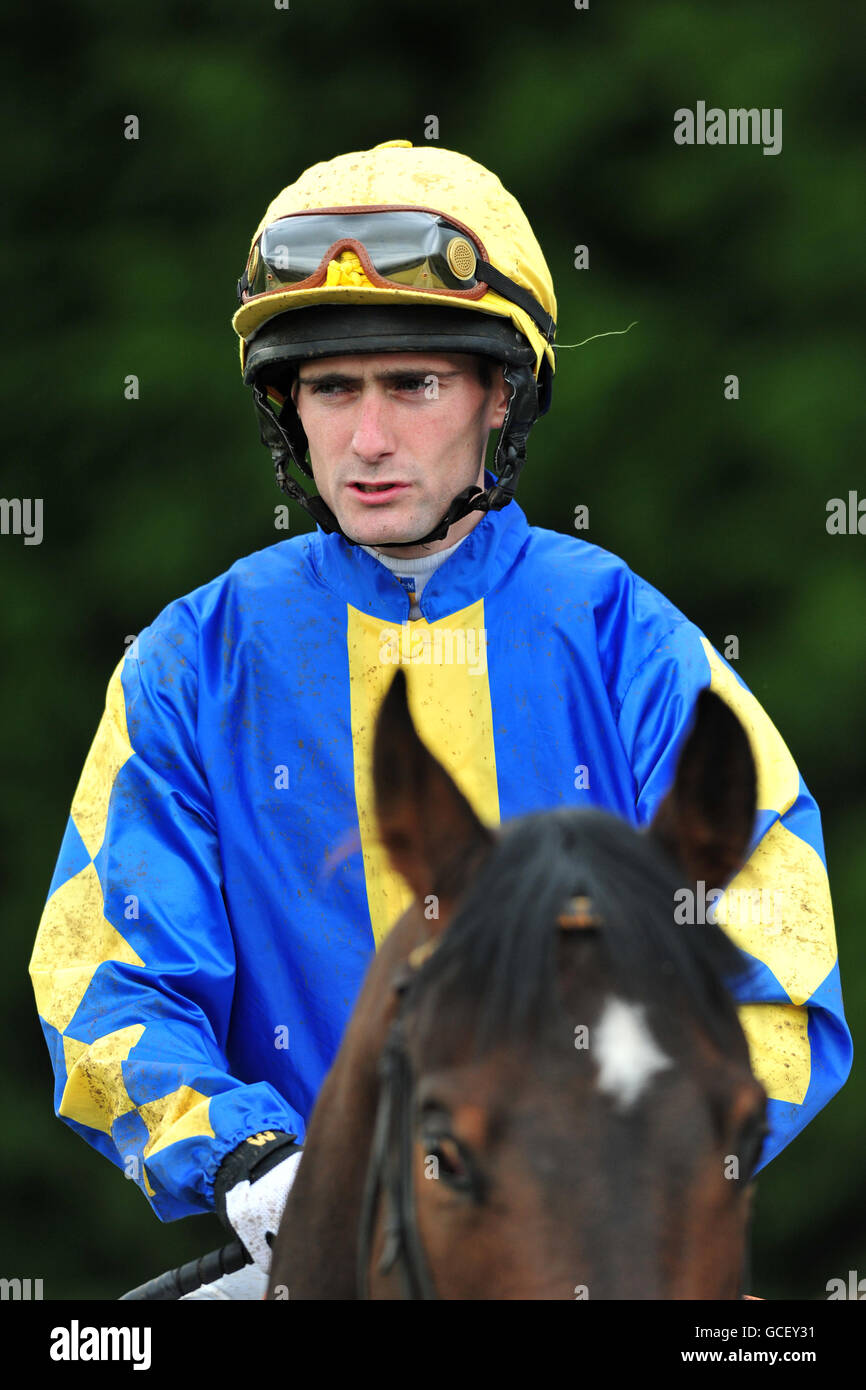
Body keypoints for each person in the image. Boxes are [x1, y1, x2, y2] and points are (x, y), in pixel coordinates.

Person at [29, 139, 852, 1300]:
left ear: (498, 395)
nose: (366, 441)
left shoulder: (630, 640)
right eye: (329, 388)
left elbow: (777, 957)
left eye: (411, 385)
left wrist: (614, 1164)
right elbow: (106, 976)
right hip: (304, 1245)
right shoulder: (187, 664)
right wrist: (249, 1159)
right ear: (287, 408)